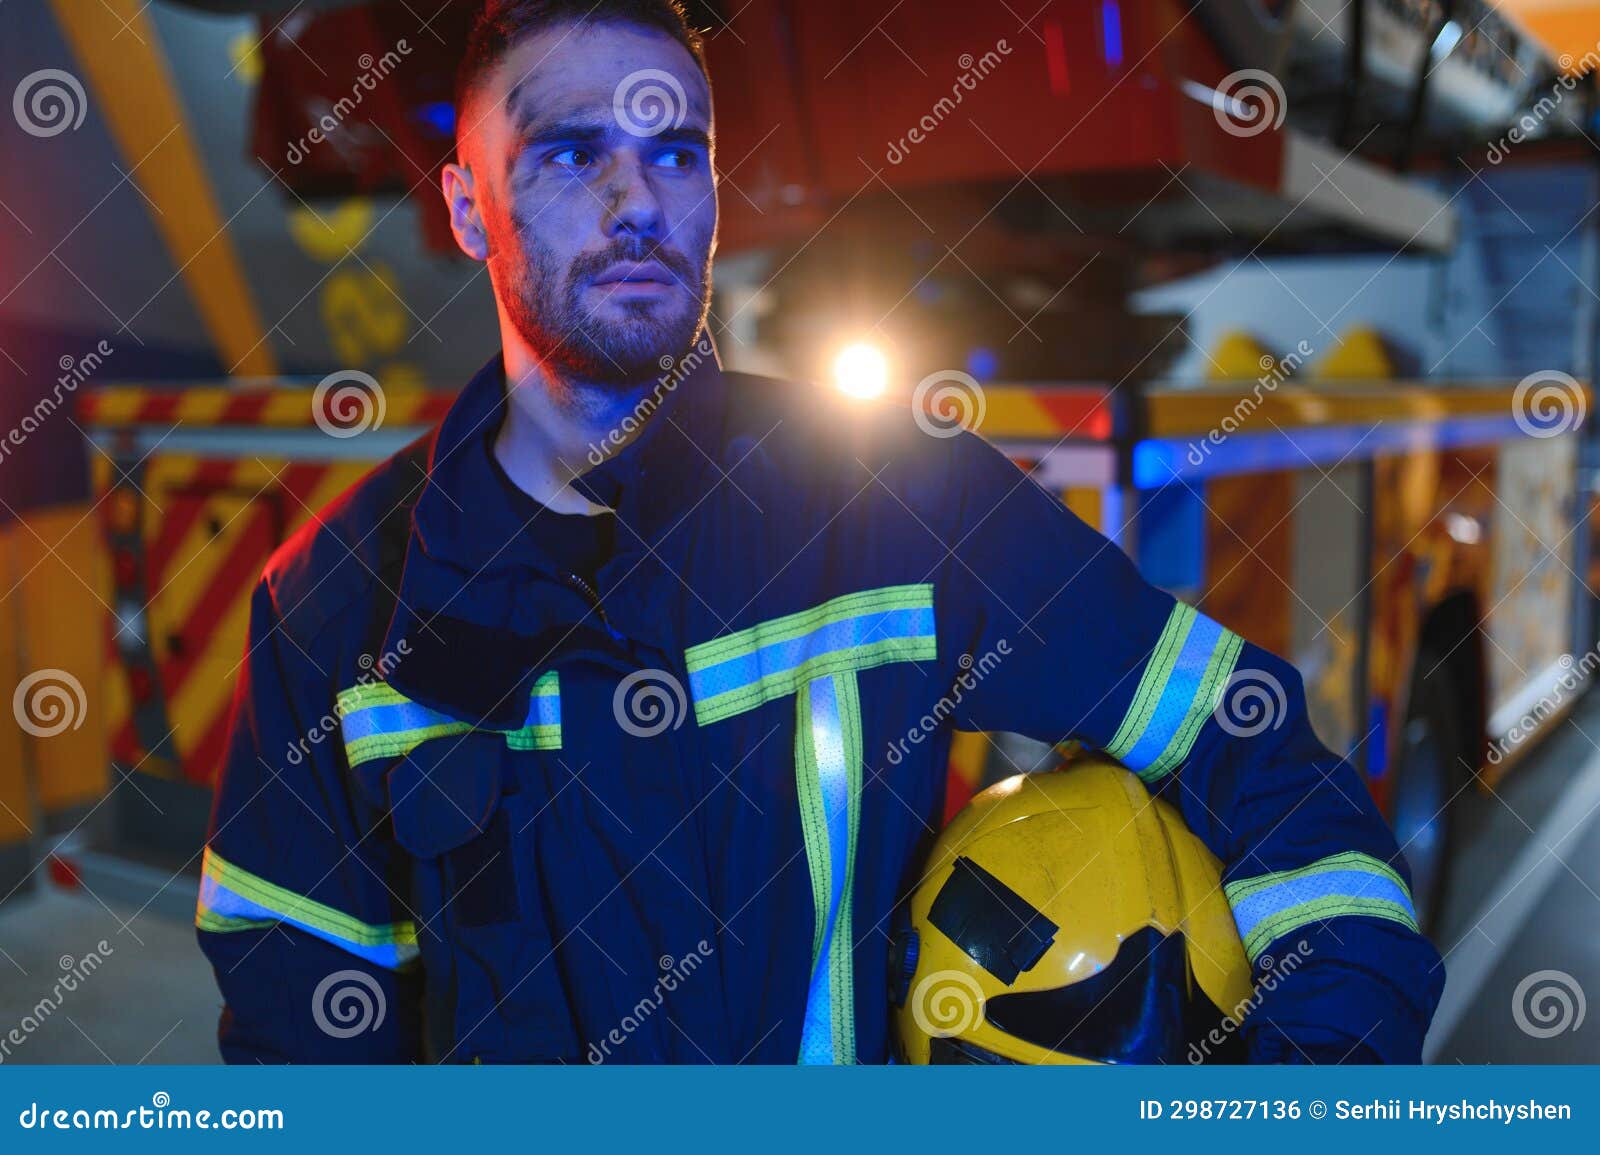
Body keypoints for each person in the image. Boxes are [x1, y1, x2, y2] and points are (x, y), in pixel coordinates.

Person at [196, 0, 1443, 1063]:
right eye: (572, 155)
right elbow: (300, 1039)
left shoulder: (901, 504)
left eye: (676, 152)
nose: (639, 202)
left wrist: (1318, 1062)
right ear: (469, 208)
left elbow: (1252, 742)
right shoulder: (334, 612)